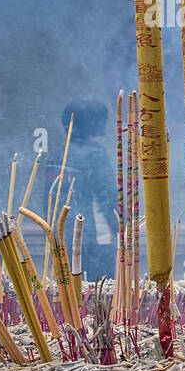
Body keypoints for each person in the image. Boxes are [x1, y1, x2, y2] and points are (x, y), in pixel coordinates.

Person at [58, 100, 119, 279]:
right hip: (95, 239)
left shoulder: (58, 155)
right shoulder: (95, 155)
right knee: (98, 291)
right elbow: (108, 196)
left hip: (62, 236)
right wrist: (121, 228)